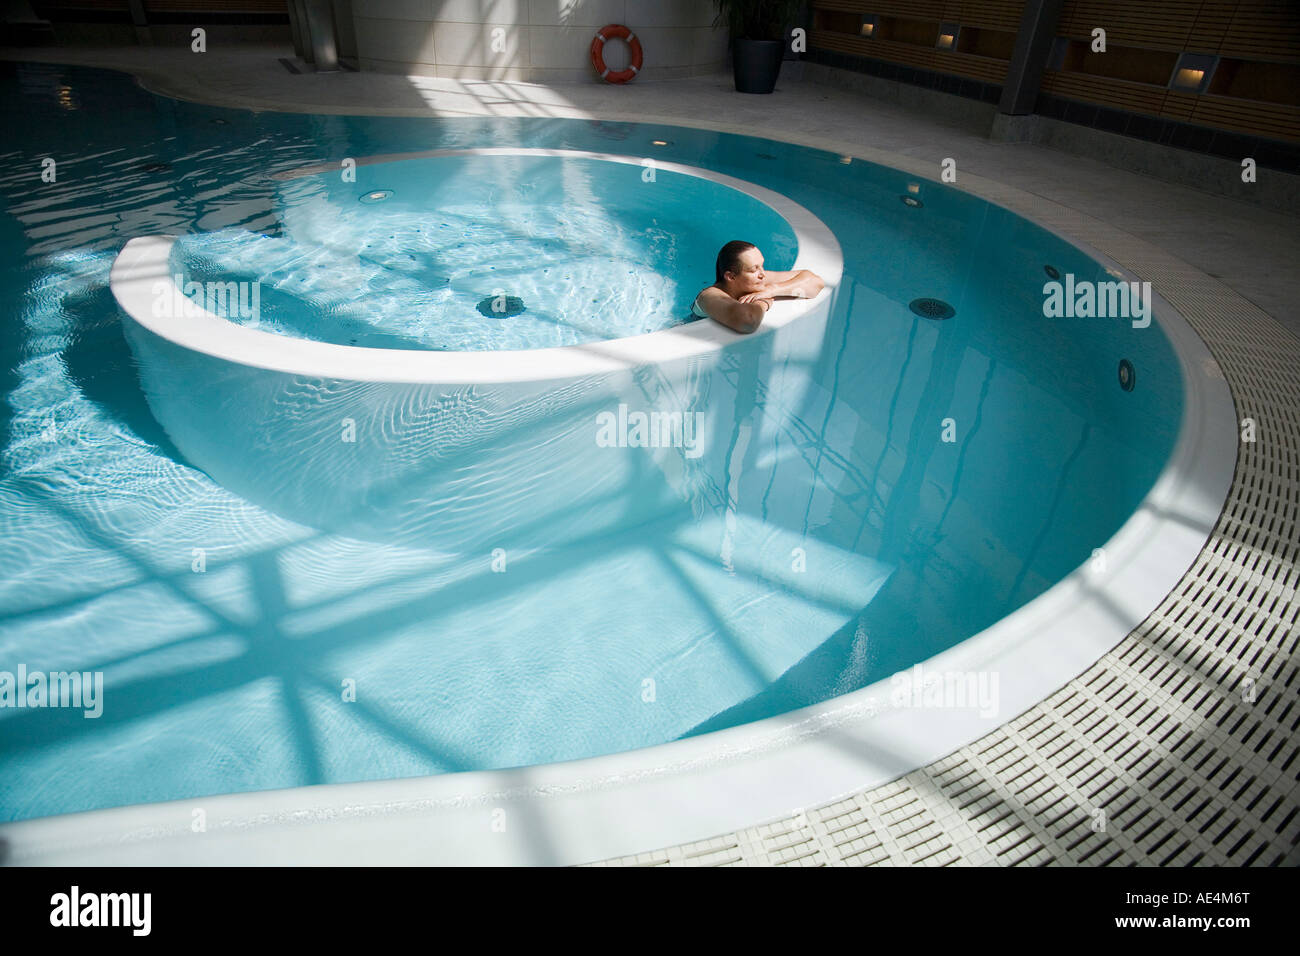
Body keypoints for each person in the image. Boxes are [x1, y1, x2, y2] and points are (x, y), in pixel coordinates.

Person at [692, 240, 824, 334]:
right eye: (754, 269)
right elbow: (747, 321)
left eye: (762, 265)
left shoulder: (756, 279)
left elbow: (815, 282)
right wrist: (764, 300)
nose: (762, 274)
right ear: (731, 277)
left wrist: (773, 289)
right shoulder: (709, 296)